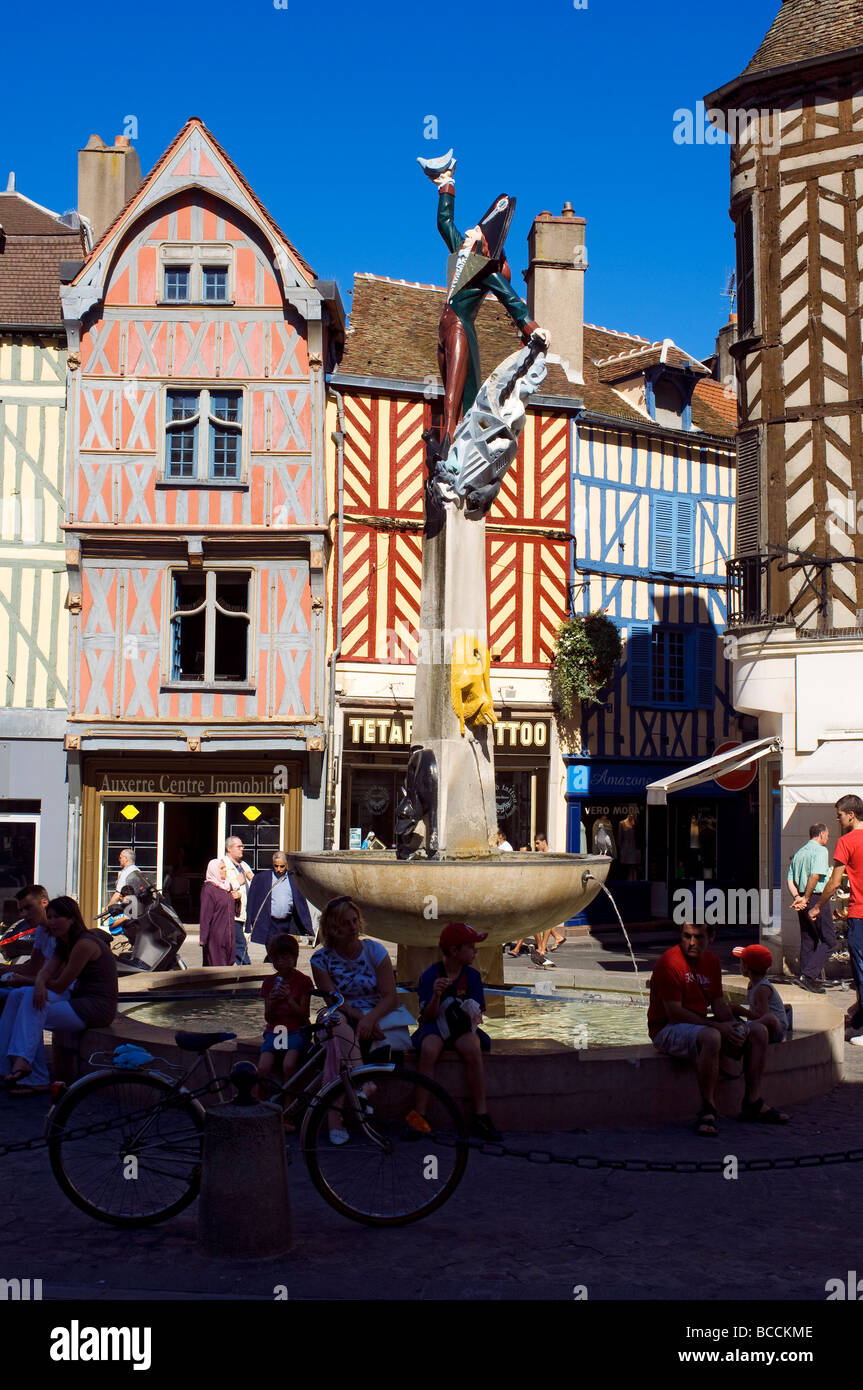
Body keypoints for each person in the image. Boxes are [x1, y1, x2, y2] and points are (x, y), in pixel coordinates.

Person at [418, 150, 547, 454]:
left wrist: (531, 329)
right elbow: (444, 222)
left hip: (459, 327)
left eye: (474, 231)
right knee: (459, 388)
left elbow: (510, 298)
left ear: (482, 244)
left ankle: (451, 447)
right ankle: (457, 441)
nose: (467, 230)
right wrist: (446, 183)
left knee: (456, 391)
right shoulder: (461, 255)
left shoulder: (482, 268)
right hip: (446, 328)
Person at [648, 921, 789, 1136]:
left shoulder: (712, 962)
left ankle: (752, 1102)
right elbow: (674, 1012)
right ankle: (708, 1108)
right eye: (686, 936)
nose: (691, 943)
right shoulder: (669, 962)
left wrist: (734, 1026)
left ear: (711, 937)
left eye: (699, 937)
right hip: (667, 1027)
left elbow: (719, 1004)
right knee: (712, 1036)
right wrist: (718, 1027)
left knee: (758, 1031)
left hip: (697, 1024)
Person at [310, 896, 414, 1143]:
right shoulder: (320, 959)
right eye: (346, 923)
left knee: (337, 1044)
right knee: (337, 1026)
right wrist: (362, 1021)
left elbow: (391, 997)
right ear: (333, 928)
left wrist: (370, 1020)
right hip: (342, 1012)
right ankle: (362, 1082)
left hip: (378, 1013)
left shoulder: (374, 950)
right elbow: (334, 1000)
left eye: (355, 921)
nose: (353, 927)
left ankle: (335, 1118)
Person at [0, 896, 117, 1093]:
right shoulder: (64, 943)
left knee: (29, 1000)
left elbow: (61, 985)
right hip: (78, 1003)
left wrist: (34, 983)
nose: (52, 922)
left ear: (71, 919)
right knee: (19, 996)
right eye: (50, 917)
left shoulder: (84, 944)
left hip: (94, 1009)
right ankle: (7, 1066)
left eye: (57, 917)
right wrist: (37, 982)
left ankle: (28, 1069)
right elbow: (45, 972)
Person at [410, 921, 501, 1141]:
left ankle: (481, 1114)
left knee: (472, 1046)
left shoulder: (472, 976)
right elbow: (427, 1015)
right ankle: (418, 1116)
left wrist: (471, 1011)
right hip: (435, 1024)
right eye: (470, 947)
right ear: (454, 950)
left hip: (460, 1027)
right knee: (430, 1049)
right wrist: (436, 996)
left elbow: (479, 1014)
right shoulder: (431, 975)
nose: (475, 951)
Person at [807, 795, 863, 1028]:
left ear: (851, 815)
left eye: (839, 815)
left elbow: (834, 881)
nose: (837, 819)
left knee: (861, 970)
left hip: (859, 914)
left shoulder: (847, 841)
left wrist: (818, 906)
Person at [257, 933, 313, 1104]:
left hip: (296, 1031)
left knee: (289, 1065)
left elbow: (304, 1015)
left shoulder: (304, 982)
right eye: (276, 958)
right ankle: (261, 1106)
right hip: (275, 1031)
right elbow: (268, 1017)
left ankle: (288, 1109)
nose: (280, 962)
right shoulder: (269, 983)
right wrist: (272, 1003)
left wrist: (289, 999)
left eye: (285, 957)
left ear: (294, 958)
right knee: (263, 1068)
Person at [787, 822, 835, 994]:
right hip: (814, 897)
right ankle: (808, 976)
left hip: (801, 896)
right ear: (821, 835)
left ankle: (804, 977)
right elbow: (815, 875)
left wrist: (798, 898)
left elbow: (790, 880)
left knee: (809, 939)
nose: (828, 837)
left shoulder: (800, 852)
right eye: (827, 834)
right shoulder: (821, 850)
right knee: (830, 941)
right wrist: (806, 898)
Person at [247, 852, 314, 952]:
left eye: (281, 866)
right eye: (276, 866)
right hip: (270, 922)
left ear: (286, 865)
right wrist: (249, 923)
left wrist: (307, 926)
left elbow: (301, 903)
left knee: (282, 951)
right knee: (272, 949)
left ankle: (272, 963)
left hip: (286, 923)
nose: (278, 869)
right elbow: (252, 900)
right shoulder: (263, 878)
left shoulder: (294, 879)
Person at [731, 944, 788, 1043]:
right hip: (759, 1025)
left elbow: (762, 1017)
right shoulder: (752, 984)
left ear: (746, 967)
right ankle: (744, 1028)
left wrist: (741, 1011)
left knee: (770, 1018)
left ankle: (743, 1029)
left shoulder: (761, 989)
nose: (740, 965)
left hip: (776, 1031)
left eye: (741, 962)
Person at [198, 859, 236, 967]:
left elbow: (232, 909)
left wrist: (237, 899)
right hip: (216, 936)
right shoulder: (209, 889)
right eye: (222, 868)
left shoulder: (226, 887)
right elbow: (205, 915)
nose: (225, 871)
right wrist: (203, 938)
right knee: (218, 966)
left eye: (225, 868)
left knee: (229, 964)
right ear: (214, 870)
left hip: (229, 935)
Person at [223, 836, 254, 966]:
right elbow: (220, 888)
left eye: (242, 846)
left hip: (243, 914)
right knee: (239, 945)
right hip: (231, 914)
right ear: (229, 849)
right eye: (239, 846)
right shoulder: (222, 866)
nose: (242, 849)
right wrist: (237, 882)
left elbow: (252, 882)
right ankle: (247, 971)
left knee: (239, 944)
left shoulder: (243, 865)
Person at [534, 834, 566, 957]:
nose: (536, 846)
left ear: (544, 842)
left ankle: (542, 947)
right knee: (538, 920)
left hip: (550, 890)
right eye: (535, 843)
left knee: (546, 921)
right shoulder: (539, 855)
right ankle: (547, 944)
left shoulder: (552, 855)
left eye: (538, 843)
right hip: (540, 889)